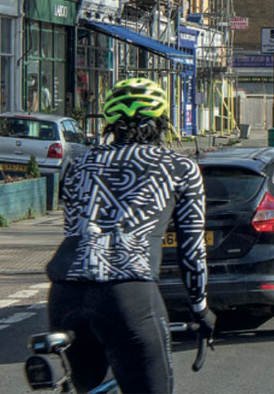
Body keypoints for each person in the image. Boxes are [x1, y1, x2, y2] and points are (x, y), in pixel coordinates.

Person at [44, 78, 213, 394]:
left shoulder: (77, 164)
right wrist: (200, 308)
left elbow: (74, 231)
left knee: (87, 387)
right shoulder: (179, 167)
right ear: (162, 122)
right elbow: (191, 251)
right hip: (127, 291)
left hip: (65, 293)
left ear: (110, 123)